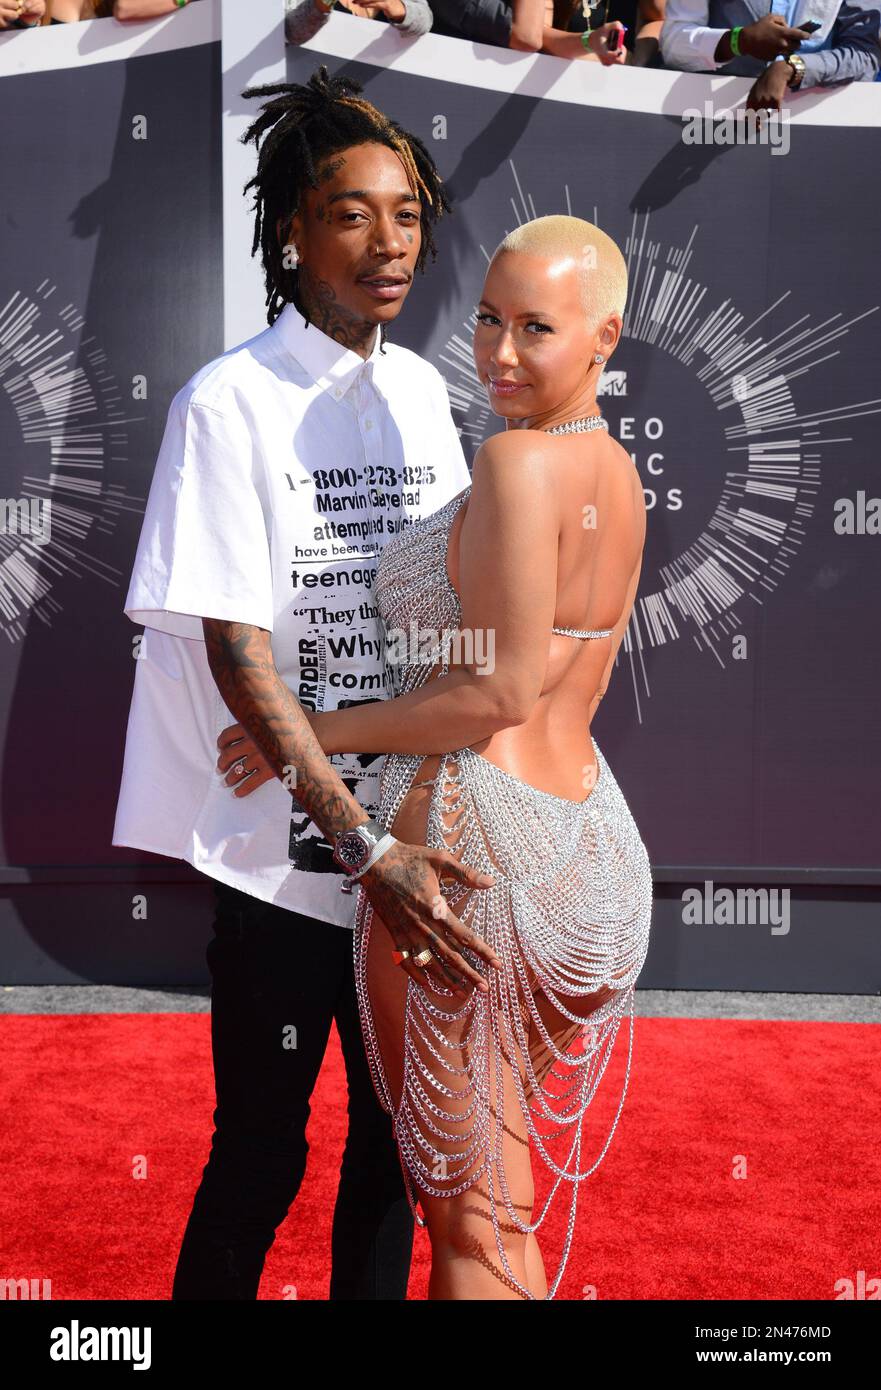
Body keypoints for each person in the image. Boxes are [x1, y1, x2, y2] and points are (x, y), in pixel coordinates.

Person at [113, 66, 498, 1300]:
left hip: (414, 840)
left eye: (406, 213)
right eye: (351, 212)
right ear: (291, 228)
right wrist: (356, 841)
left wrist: (408, 827)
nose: (390, 242)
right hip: (286, 866)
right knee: (260, 1156)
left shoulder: (426, 396)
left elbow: (445, 619)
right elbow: (239, 656)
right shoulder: (228, 404)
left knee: (394, 1163)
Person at [221, 214, 654, 1300]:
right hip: (589, 847)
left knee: (471, 1224)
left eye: (536, 329)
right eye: (487, 321)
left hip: (480, 853)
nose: (501, 355)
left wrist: (306, 729)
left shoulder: (513, 461)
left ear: (605, 334)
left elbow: (492, 692)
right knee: (498, 1207)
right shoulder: (614, 471)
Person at [660, 1, 880, 109]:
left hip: (810, 126)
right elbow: (673, 41)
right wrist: (738, 41)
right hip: (707, 121)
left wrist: (794, 68)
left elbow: (864, 55)